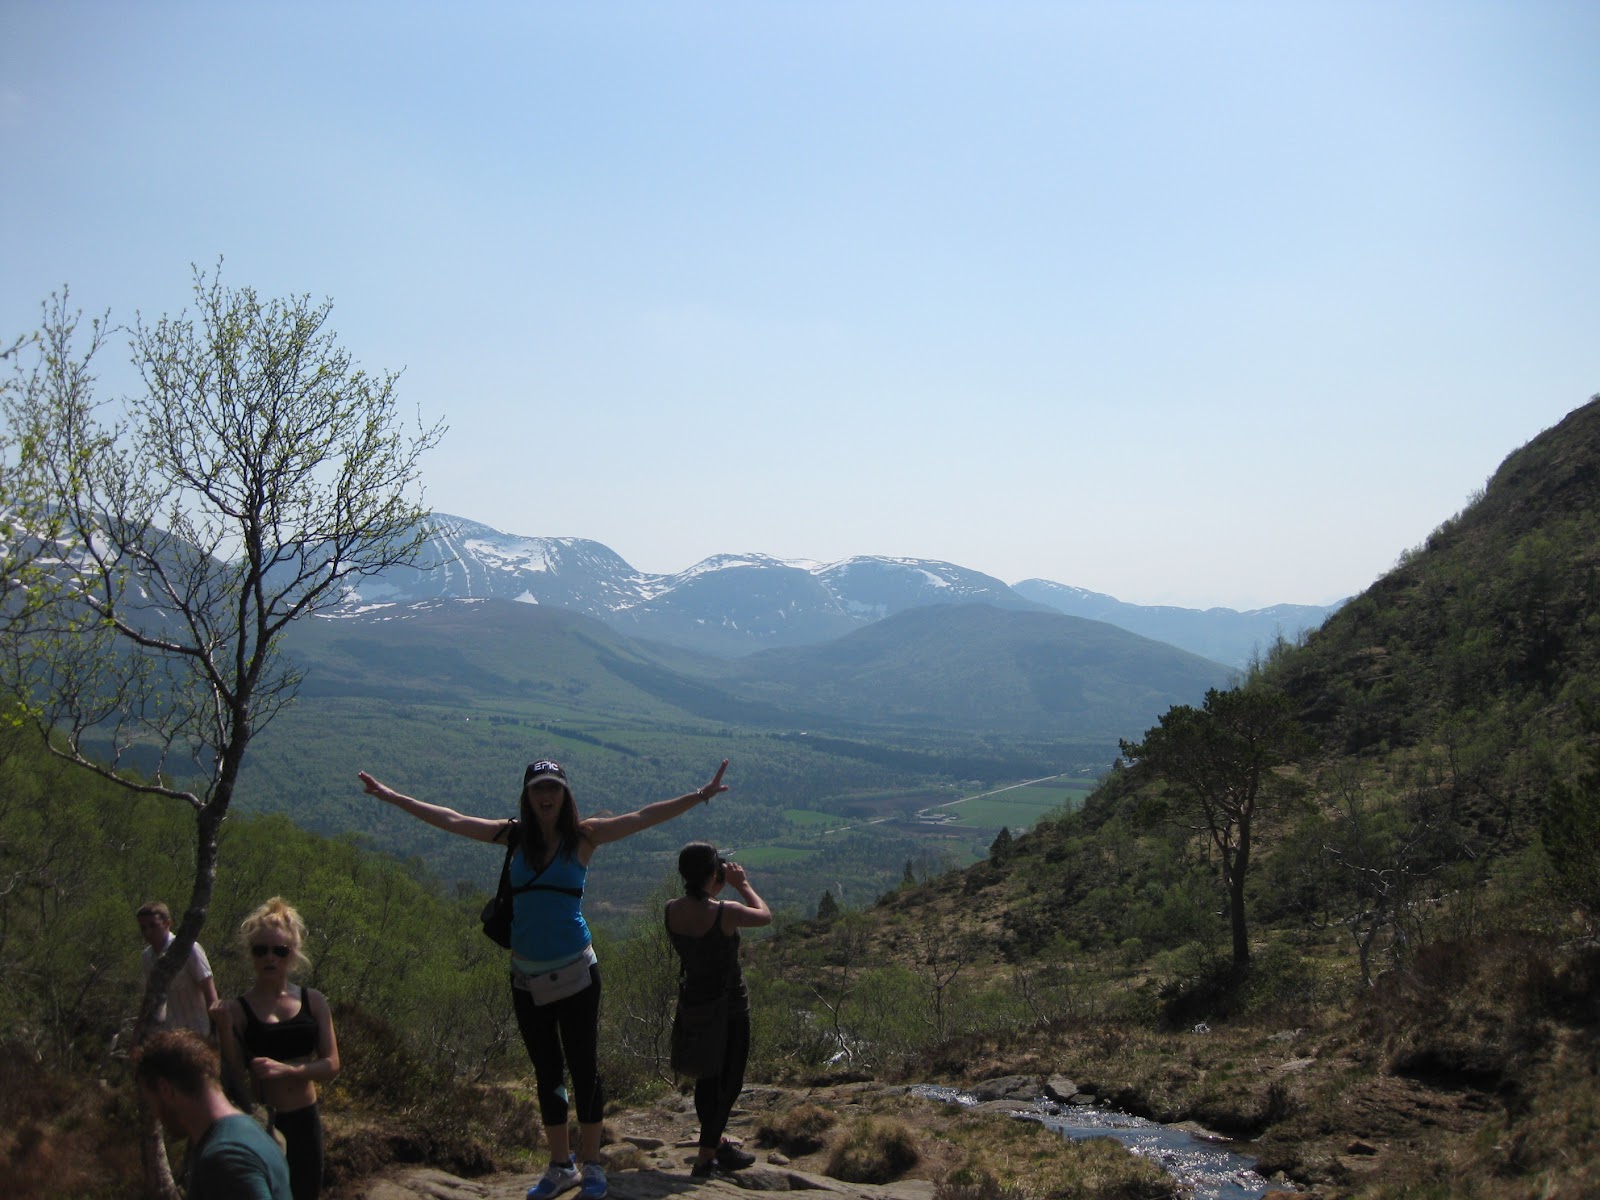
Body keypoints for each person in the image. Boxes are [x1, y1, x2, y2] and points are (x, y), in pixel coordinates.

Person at [357, 758, 730, 1200]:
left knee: (584, 1068)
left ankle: (592, 1164)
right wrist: (392, 797)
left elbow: (643, 816)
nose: (546, 795)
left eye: (553, 787)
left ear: (565, 794)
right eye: (538, 788)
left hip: (577, 973)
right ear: (527, 795)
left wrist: (700, 796)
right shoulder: (513, 836)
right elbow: (452, 820)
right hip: (526, 977)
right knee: (547, 1071)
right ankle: (560, 1165)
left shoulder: (584, 837)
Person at [211, 898, 340, 1200]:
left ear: (293, 953)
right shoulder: (239, 1009)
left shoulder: (313, 1001)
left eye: (280, 951)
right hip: (264, 1120)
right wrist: (224, 1028)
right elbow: (234, 1071)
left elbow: (332, 1065)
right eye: (261, 950)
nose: (270, 958)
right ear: (251, 954)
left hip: (306, 1120)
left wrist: (288, 1070)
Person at [665, 842, 772, 1178]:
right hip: (729, 1008)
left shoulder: (671, 910)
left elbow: (698, 913)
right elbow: (764, 915)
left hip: (694, 1005)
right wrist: (743, 885)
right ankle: (706, 1157)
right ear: (715, 873)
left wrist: (712, 885)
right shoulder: (726, 912)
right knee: (730, 1082)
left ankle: (716, 1145)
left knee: (707, 1077)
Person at [134, 1027, 292, 1200]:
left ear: (166, 1090)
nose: (156, 1114)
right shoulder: (248, 1129)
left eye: (151, 1102)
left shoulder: (225, 1159)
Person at [136, 901, 219, 1044]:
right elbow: (151, 999)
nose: (148, 932)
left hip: (200, 1033)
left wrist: (216, 1031)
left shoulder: (189, 949)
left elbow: (209, 991)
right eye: (143, 928)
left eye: (153, 926)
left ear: (167, 923)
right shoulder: (147, 957)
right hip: (172, 1036)